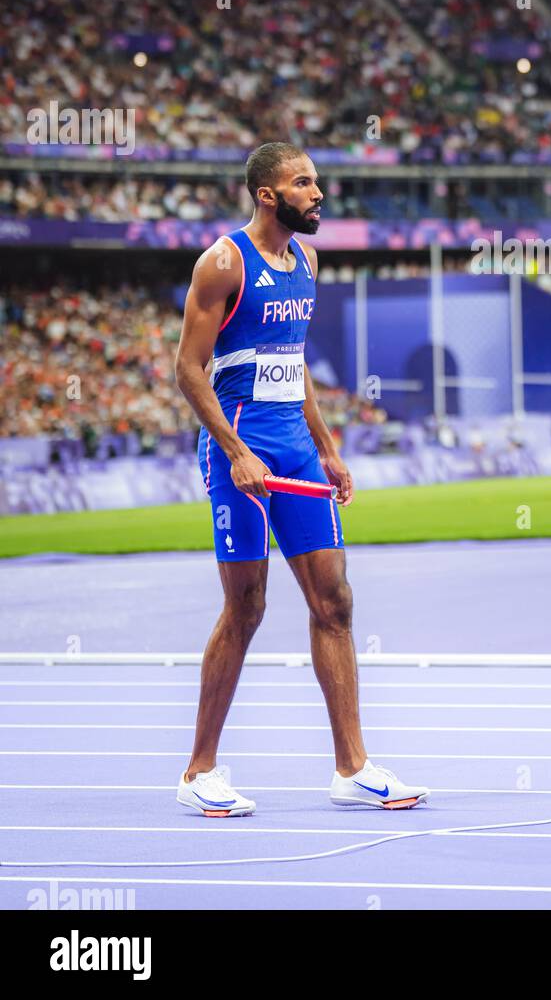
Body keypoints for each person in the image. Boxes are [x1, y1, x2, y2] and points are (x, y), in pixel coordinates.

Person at [174, 142, 429, 815]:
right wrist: (234, 450)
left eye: (316, 182)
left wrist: (328, 447)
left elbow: (292, 363)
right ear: (267, 194)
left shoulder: (307, 261)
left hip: (293, 445)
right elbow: (188, 370)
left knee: (334, 602)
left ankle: (352, 766)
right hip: (241, 449)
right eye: (303, 183)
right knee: (248, 606)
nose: (318, 193)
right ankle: (199, 770)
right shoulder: (224, 262)